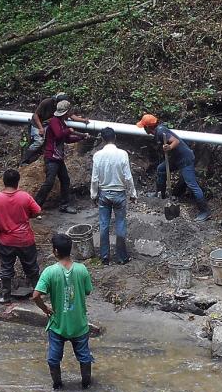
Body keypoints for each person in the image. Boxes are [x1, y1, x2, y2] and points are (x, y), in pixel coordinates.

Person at [32, 233, 94, 391]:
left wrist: (45, 309)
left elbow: (36, 295)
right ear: (70, 249)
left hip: (58, 325)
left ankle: (58, 386)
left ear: (55, 251)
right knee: (84, 357)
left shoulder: (49, 272)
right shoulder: (82, 269)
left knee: (53, 359)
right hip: (79, 324)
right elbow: (87, 291)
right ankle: (86, 385)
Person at [0, 169, 43, 304]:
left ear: (4, 182)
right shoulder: (25, 197)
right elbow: (38, 211)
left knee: (6, 267)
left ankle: (5, 295)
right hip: (25, 239)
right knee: (31, 267)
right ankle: (38, 293)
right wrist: (28, 215)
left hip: (6, 241)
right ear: (17, 181)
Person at [135, 113, 209, 222]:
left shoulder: (161, 131)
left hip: (185, 159)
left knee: (191, 184)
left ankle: (204, 211)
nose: (143, 129)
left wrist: (169, 147)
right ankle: (160, 194)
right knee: (161, 169)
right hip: (176, 158)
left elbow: (176, 141)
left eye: (144, 127)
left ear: (148, 127)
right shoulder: (158, 132)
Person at [90, 127, 136, 266]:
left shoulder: (97, 155)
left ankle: (105, 257)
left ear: (102, 139)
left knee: (104, 225)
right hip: (119, 193)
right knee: (120, 224)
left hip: (104, 193)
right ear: (115, 138)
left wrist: (94, 195)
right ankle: (122, 257)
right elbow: (128, 177)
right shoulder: (122, 154)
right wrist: (132, 193)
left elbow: (94, 178)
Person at [35, 99, 90, 214]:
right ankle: (35, 206)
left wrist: (81, 137)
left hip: (58, 158)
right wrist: (69, 130)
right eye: (69, 111)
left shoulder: (61, 123)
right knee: (49, 182)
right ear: (66, 112)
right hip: (51, 157)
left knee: (65, 180)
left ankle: (64, 205)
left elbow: (67, 139)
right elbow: (59, 134)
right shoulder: (54, 121)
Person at [21, 93, 90, 166]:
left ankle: (40, 156)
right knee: (39, 141)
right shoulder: (46, 102)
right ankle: (25, 160)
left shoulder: (62, 108)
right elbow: (35, 115)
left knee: (48, 141)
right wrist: (40, 128)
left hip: (47, 123)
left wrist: (83, 120)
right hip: (37, 123)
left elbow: (71, 115)